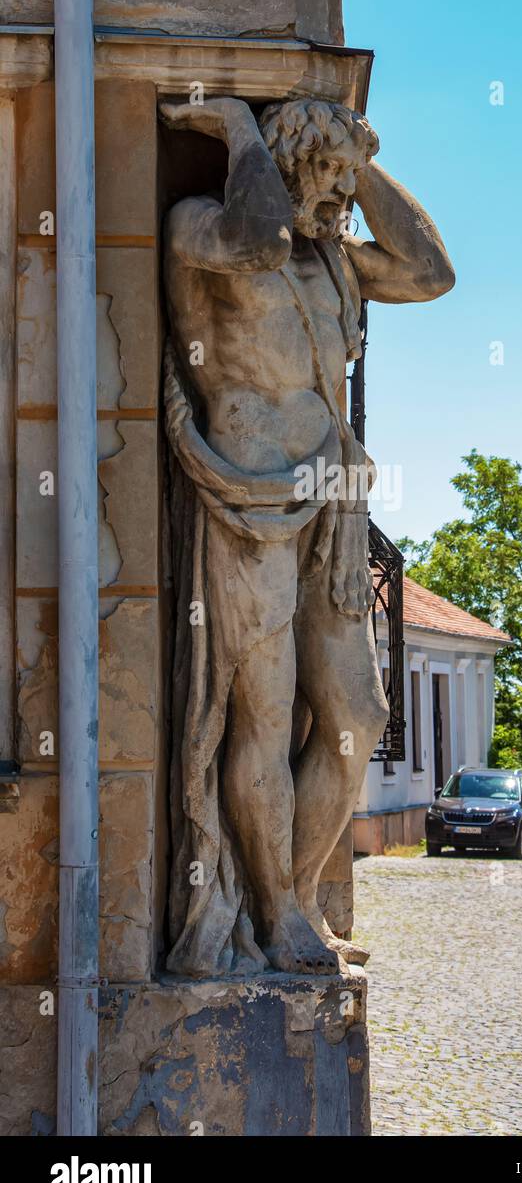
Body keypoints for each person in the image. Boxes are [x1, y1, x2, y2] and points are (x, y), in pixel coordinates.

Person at [161, 95, 455, 977]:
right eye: (323, 176)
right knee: (260, 711)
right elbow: (255, 238)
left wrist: (353, 159)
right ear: (280, 165)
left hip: (330, 504)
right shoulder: (197, 227)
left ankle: (284, 897)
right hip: (245, 501)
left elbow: (431, 271)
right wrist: (248, 133)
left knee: (356, 716)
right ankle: (278, 915)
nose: (338, 198)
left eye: (343, 183)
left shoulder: (335, 266)